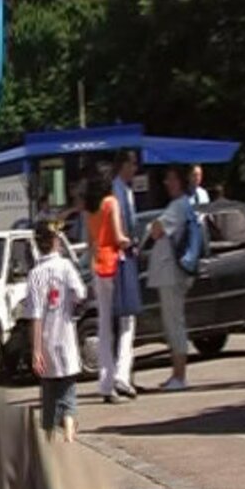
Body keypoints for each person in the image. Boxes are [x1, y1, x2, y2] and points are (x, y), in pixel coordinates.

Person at [26, 221, 88, 442]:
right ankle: (70, 441)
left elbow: (35, 315)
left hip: (46, 344)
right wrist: (71, 301)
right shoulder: (65, 267)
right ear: (55, 242)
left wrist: (35, 351)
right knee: (68, 398)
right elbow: (80, 293)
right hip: (66, 339)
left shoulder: (35, 275)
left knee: (49, 401)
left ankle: (51, 448)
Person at [144, 166, 199, 391]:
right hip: (171, 273)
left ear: (181, 182)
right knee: (173, 321)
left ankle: (180, 376)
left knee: (174, 323)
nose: (167, 182)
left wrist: (151, 226)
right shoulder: (181, 205)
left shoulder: (178, 206)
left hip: (171, 274)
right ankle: (176, 374)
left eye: (172, 178)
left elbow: (157, 230)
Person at [89, 163, 139, 404]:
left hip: (98, 267)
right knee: (127, 321)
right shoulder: (111, 203)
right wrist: (131, 242)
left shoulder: (90, 208)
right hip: (115, 266)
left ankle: (106, 383)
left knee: (104, 326)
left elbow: (91, 242)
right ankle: (121, 375)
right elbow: (119, 238)